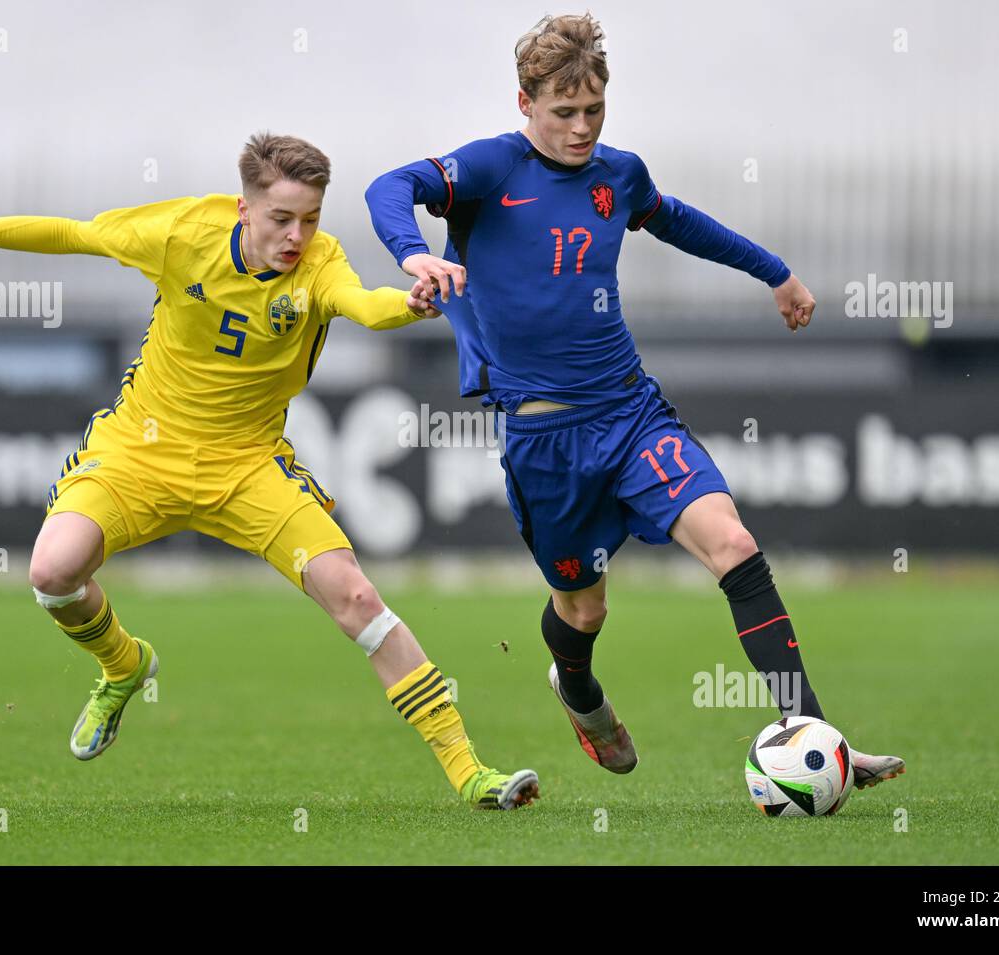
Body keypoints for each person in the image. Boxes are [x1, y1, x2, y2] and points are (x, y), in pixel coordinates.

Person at [0, 132, 540, 810]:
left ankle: (469, 772)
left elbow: (363, 304)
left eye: (310, 218)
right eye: (282, 218)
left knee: (359, 599)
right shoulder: (180, 232)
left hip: (248, 464)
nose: (297, 235)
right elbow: (72, 235)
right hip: (140, 449)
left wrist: (412, 303)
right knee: (51, 573)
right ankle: (123, 664)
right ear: (244, 209)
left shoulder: (321, 262)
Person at [365, 15, 903, 794]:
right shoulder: (488, 169)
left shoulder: (620, 175)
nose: (582, 128)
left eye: (594, 110)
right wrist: (412, 250)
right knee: (582, 611)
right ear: (525, 102)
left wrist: (775, 272)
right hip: (544, 438)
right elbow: (391, 187)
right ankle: (577, 688)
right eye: (563, 113)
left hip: (630, 411)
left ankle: (820, 739)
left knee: (735, 545)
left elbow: (679, 221)